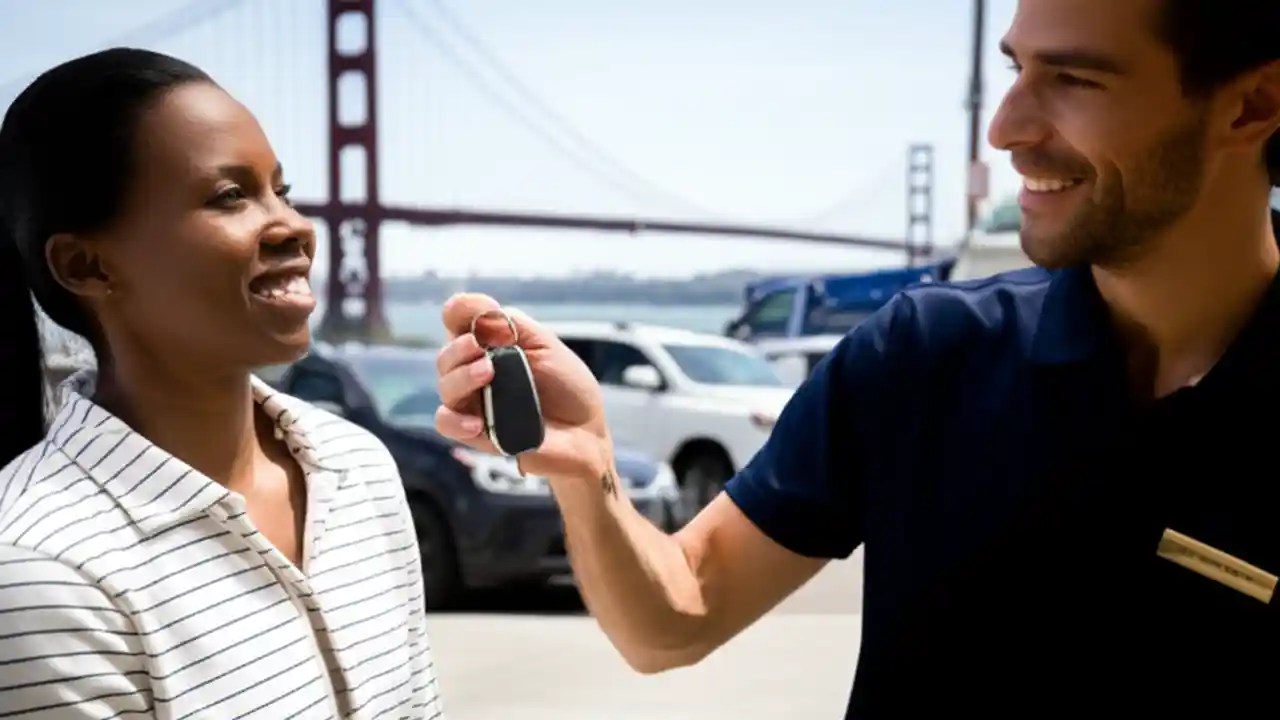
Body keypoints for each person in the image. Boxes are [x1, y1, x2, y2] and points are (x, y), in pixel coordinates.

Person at [435, 0, 1280, 715]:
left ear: (1250, 105)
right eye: (1017, 68)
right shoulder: (923, 354)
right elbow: (675, 619)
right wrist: (590, 475)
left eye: (1076, 79)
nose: (1007, 128)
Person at [0, 49, 444, 718]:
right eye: (229, 196)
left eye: (281, 189)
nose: (292, 226)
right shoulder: (40, 569)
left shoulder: (357, 469)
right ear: (87, 265)